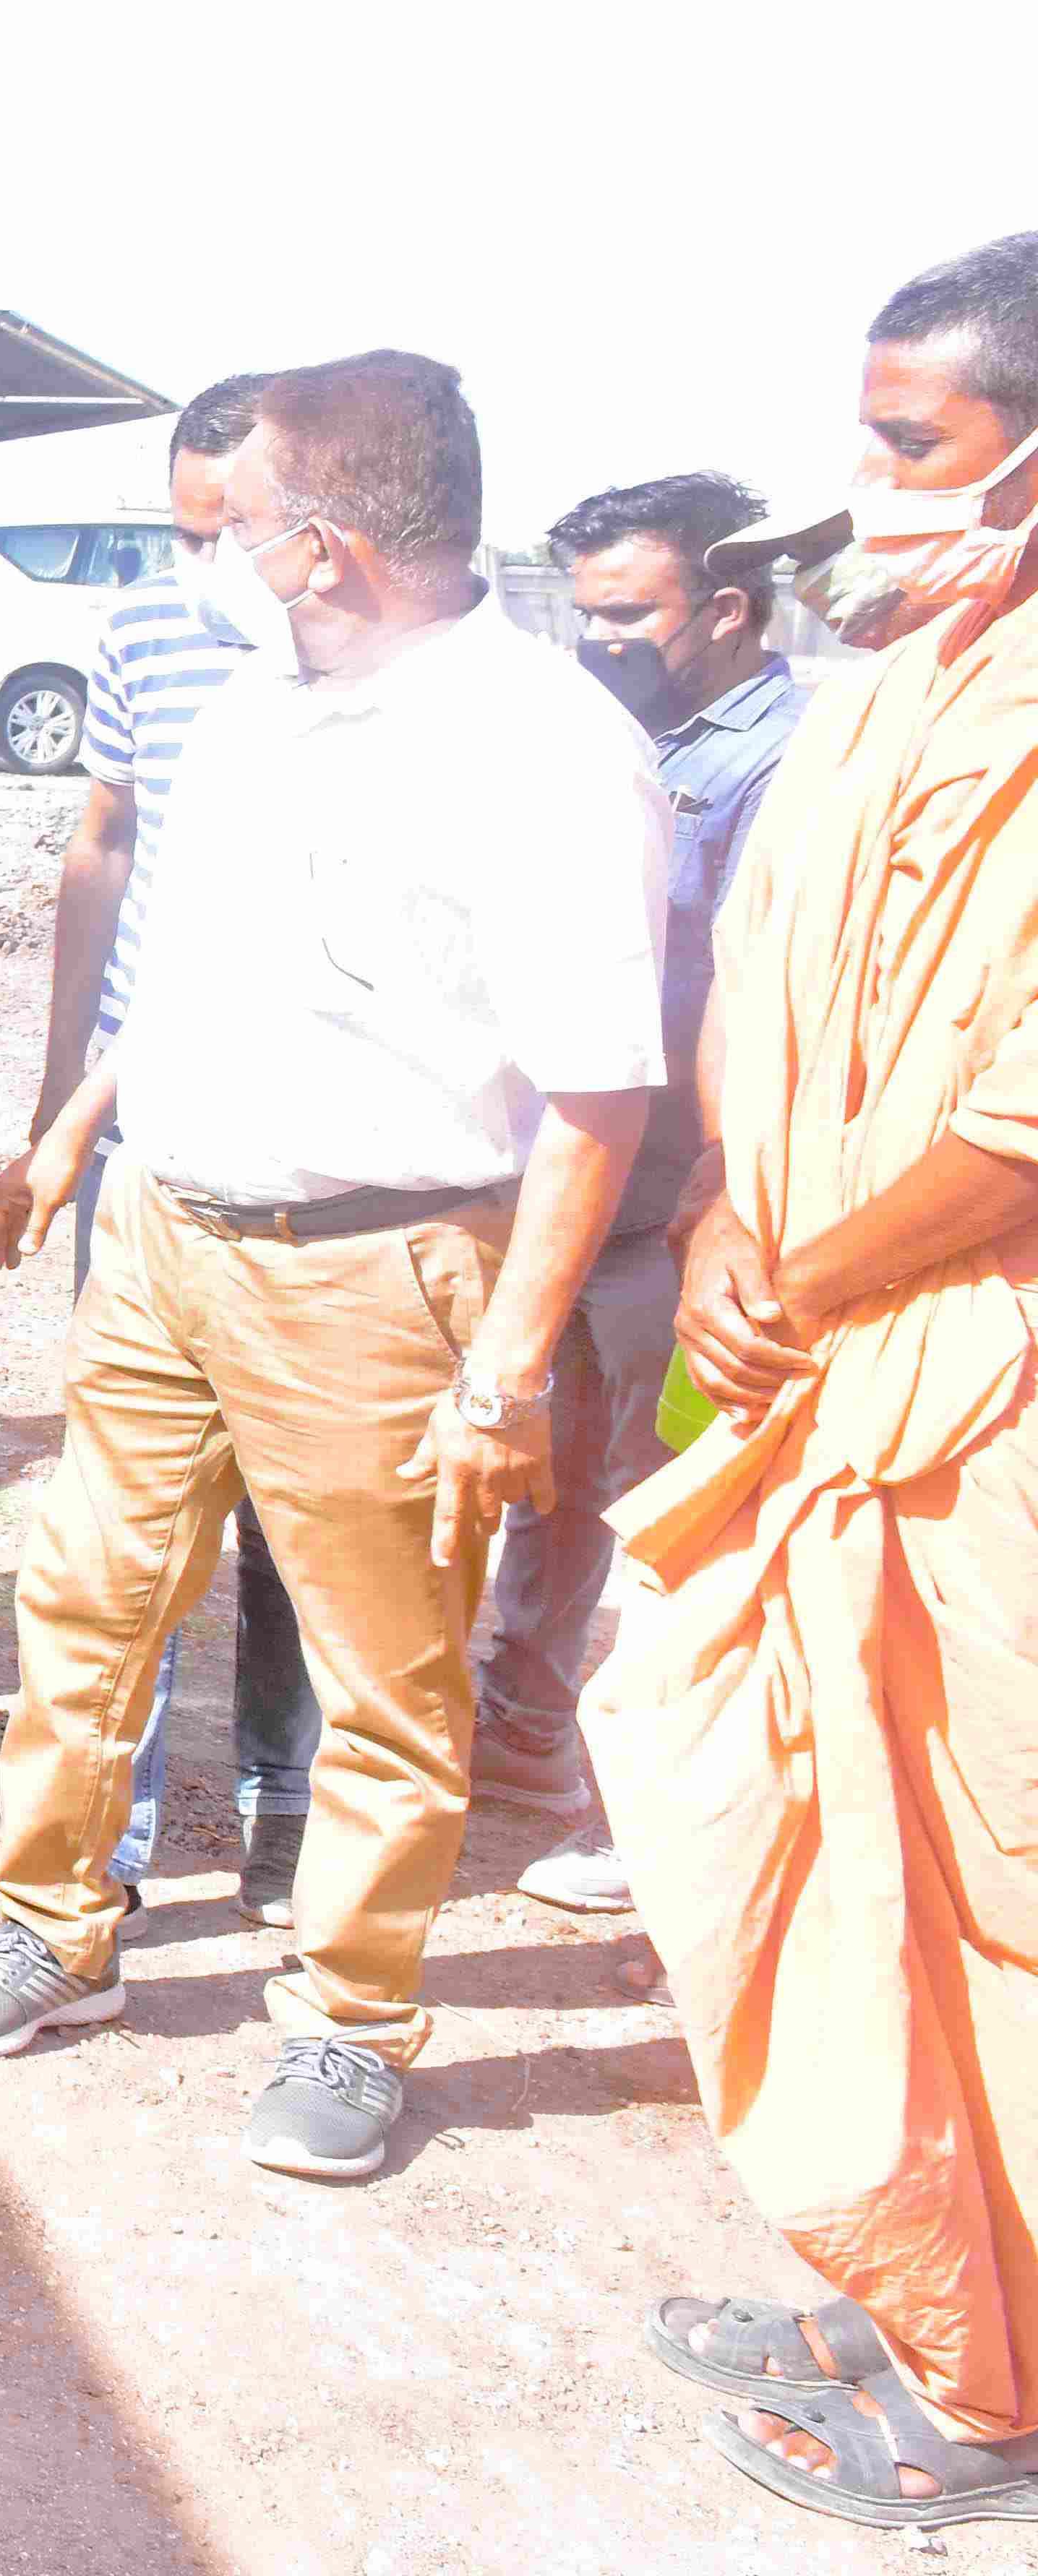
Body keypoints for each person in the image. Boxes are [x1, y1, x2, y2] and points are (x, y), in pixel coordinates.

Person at [0, 351, 666, 2189]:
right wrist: (81, 1125)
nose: (218, 557)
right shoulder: (257, 702)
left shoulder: (549, 750)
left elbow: (595, 1094)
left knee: (382, 1665)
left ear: (324, 543)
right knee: (88, 1598)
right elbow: (185, 973)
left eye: (242, 523)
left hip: (378, 1269)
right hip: (171, 1237)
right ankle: (53, 1926)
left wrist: (502, 1362)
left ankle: (347, 2012)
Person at [605, 233, 1038, 2533]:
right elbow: (787, 1001)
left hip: (971, 1392)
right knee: (816, 1829)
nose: (868, 493)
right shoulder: (909, 665)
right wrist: (725, 1239)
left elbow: (1013, 1117)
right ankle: (917, 2275)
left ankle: (991, 2397)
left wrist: (805, 1275)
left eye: (915, 450)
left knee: (993, 1889)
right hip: (813, 1342)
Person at [0, 376, 326, 1922]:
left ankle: (285, 1789)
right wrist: (62, 1093)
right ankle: (108, 1836)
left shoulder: (361, 677)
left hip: (313, 1148)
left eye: (233, 531)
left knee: (291, 1497)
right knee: (131, 1494)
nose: (208, 566)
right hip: (139, 1116)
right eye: (188, 532)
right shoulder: (140, 635)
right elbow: (108, 848)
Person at [475, 472, 798, 1916]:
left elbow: (767, 992)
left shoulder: (790, 759)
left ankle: (634, 1804)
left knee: (664, 1504)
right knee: (545, 1473)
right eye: (582, 612)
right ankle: (519, 1736)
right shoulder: (593, 742)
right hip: (570, 1175)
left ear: (725, 608)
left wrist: (729, 1187)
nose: (598, 640)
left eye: (628, 613)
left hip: (689, 1198)